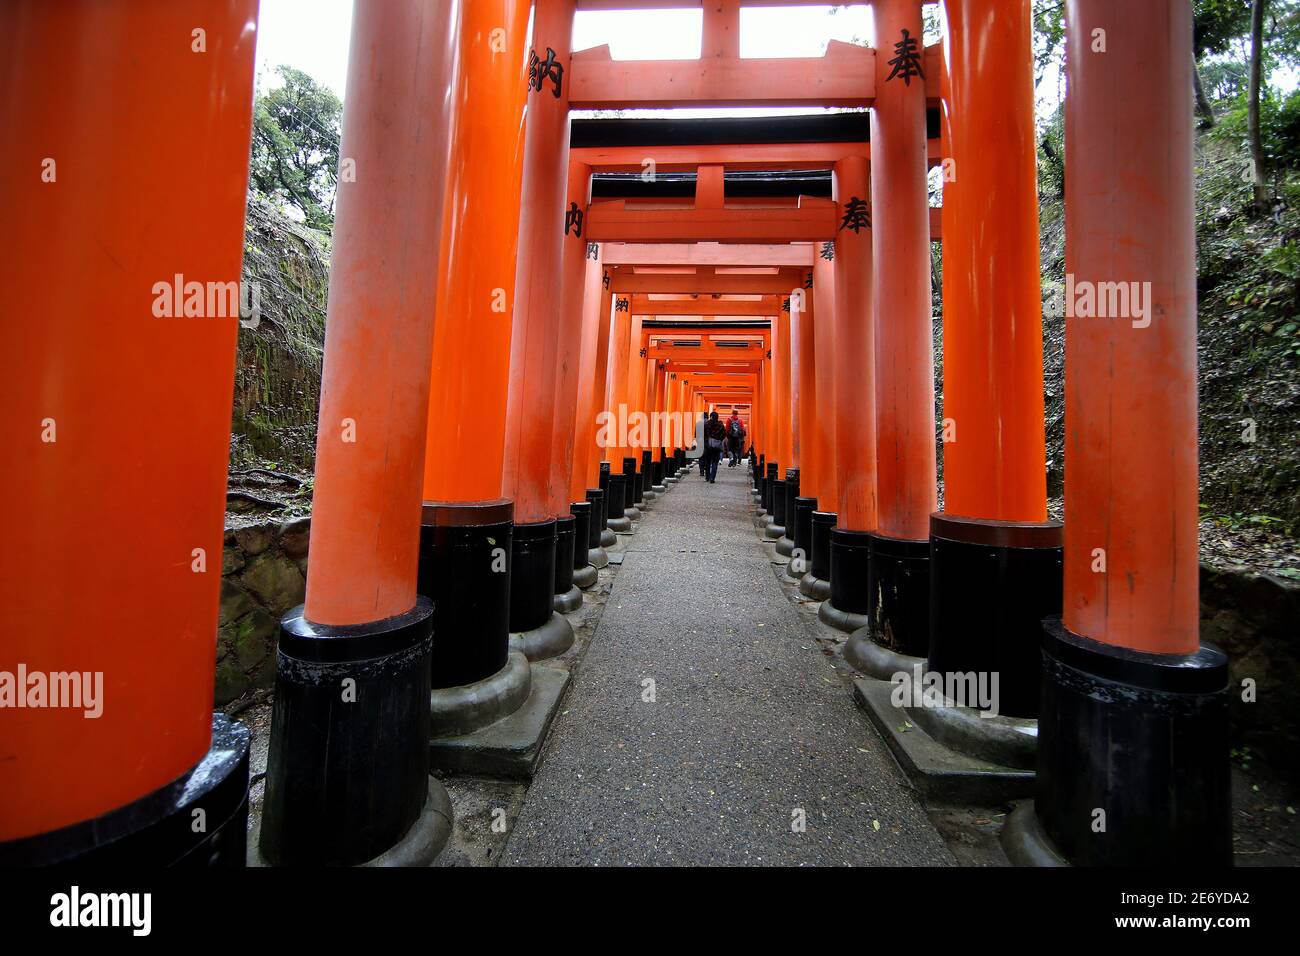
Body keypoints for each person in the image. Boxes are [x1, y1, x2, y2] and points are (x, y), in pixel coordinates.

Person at [702, 411, 727, 483]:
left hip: (708, 445)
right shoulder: (720, 425)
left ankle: (707, 477)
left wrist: (706, 441)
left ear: (711, 416)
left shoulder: (707, 424)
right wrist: (719, 440)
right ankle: (712, 478)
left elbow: (703, 434)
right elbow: (724, 434)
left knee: (707, 461)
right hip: (716, 446)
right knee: (715, 462)